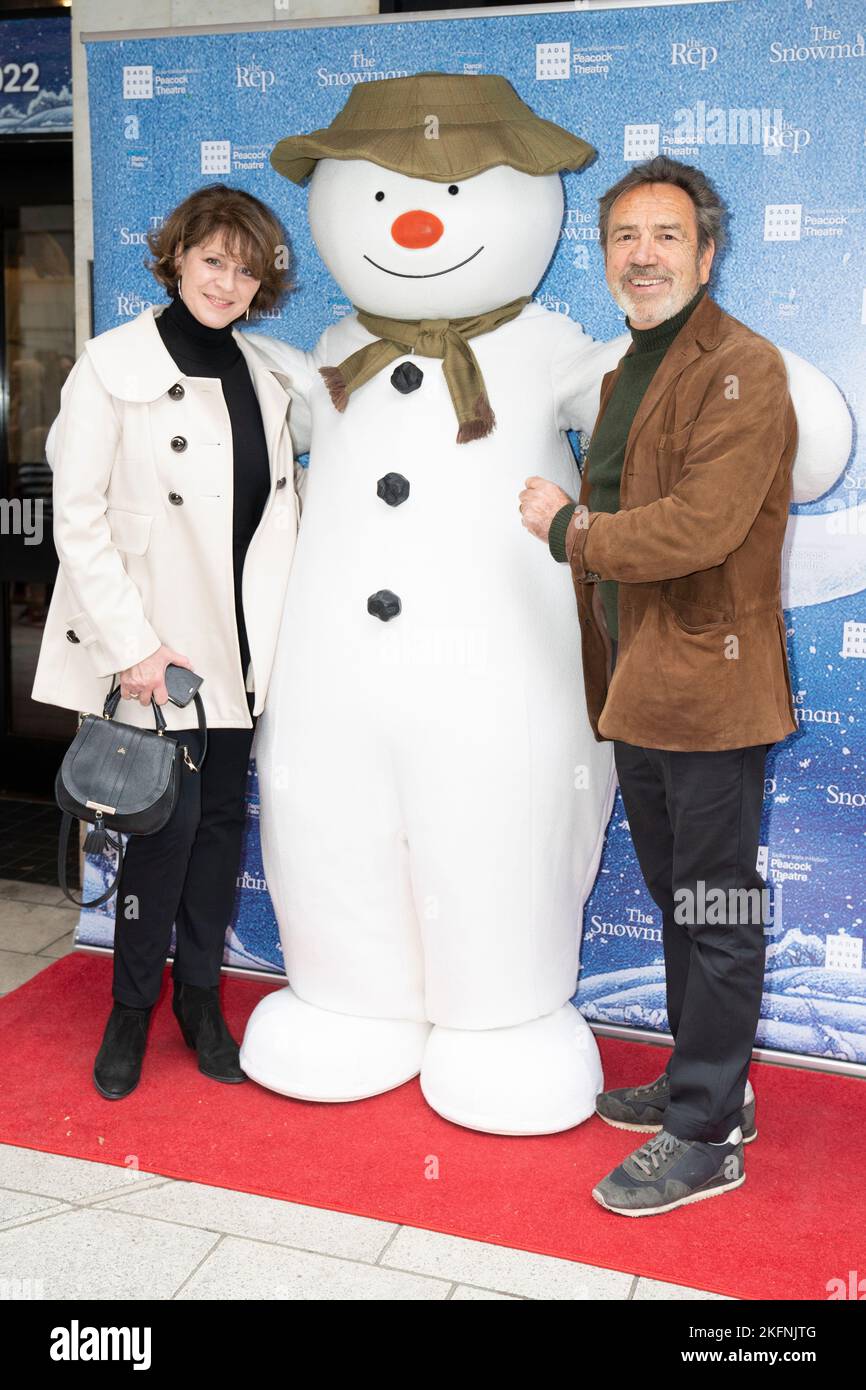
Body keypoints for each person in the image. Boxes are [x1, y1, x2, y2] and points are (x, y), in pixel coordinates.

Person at [519, 155, 798, 1216]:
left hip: (709, 695)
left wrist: (565, 529)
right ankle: (706, 1085)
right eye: (623, 239)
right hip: (640, 688)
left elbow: (699, 527)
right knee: (683, 901)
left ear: (706, 250)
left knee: (716, 909)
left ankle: (705, 1135)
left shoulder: (743, 366)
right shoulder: (629, 366)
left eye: (665, 236)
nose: (641, 255)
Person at [31, 184, 302, 1100]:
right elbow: (78, 521)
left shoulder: (263, 378)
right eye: (212, 259)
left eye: (246, 267)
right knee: (162, 834)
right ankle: (130, 1009)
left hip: (234, 653)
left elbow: (273, 524)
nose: (227, 281)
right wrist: (132, 649)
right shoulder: (111, 365)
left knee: (221, 829)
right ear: (176, 257)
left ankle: (200, 1002)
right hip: (152, 654)